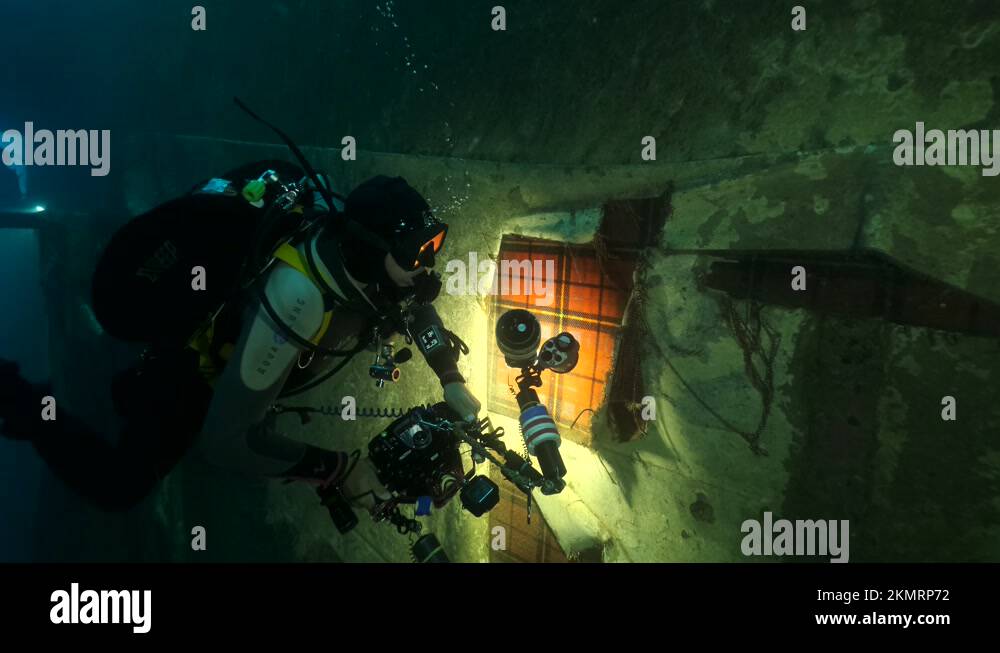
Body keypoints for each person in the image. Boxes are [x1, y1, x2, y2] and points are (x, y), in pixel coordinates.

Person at [0, 159, 481, 514]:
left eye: (432, 243)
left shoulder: (367, 263)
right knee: (120, 485)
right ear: (372, 247)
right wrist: (334, 469)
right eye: (417, 249)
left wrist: (450, 377)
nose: (429, 261)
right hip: (198, 372)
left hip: (249, 346)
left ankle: (99, 384)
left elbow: (417, 306)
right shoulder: (299, 302)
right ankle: (19, 402)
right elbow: (227, 444)